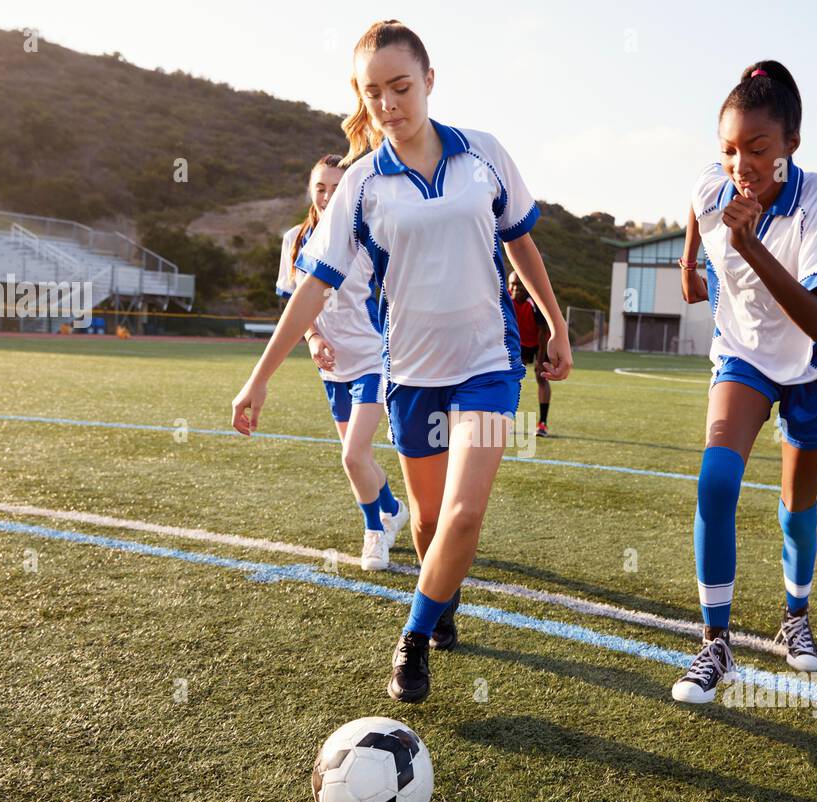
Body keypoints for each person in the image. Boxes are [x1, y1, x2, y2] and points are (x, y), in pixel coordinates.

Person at [232, 20, 572, 703]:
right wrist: (258, 377)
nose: (390, 103)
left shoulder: (485, 155)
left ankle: (413, 637)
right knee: (425, 522)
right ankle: (439, 595)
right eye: (375, 92)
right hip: (411, 372)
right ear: (363, 98)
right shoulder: (360, 185)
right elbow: (314, 287)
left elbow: (521, 244)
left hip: (490, 361)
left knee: (466, 514)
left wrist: (555, 324)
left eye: (401, 87)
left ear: (429, 81)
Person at [671, 60, 817, 704]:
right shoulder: (716, 188)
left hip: (811, 363)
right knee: (716, 483)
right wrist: (689, 262)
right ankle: (715, 643)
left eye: (758, 149)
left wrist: (749, 248)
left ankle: (794, 617)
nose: (740, 164)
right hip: (741, 357)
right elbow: (697, 198)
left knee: (797, 506)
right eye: (728, 149)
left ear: (790, 146)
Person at [275, 153, 408, 570]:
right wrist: (313, 337)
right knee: (359, 458)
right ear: (309, 190)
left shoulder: (368, 236)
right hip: (330, 366)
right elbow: (294, 303)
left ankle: (375, 532)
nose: (328, 195)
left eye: (337, 187)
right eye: (320, 187)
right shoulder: (295, 238)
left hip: (371, 360)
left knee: (353, 456)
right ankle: (393, 508)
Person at [508, 271, 553, 437]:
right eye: (512, 284)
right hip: (519, 343)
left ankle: (543, 424)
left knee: (541, 377)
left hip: (539, 342)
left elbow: (543, 332)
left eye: (519, 284)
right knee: (510, 378)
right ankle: (507, 420)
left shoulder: (535, 301)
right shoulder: (506, 300)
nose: (515, 288)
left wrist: (540, 361)